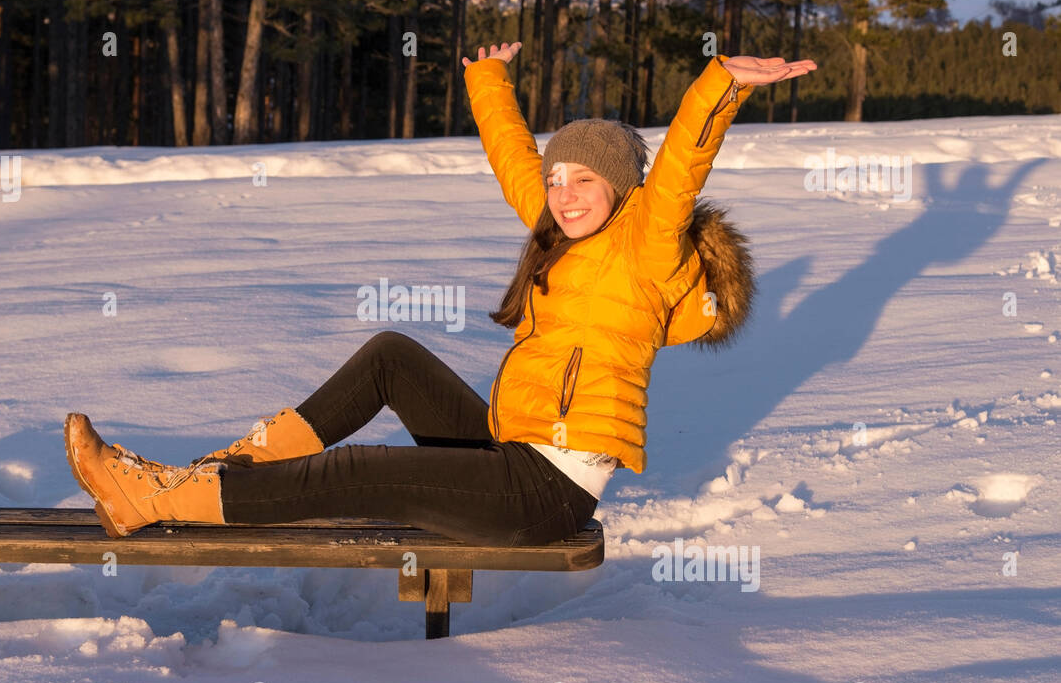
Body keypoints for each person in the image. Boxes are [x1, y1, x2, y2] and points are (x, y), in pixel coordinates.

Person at [65, 41, 816, 545]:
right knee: (392, 355)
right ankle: (207, 476)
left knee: (356, 472)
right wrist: (487, 81)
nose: (564, 194)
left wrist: (721, 84)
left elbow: (682, 165)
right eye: (560, 181)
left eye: (584, 180)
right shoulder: (562, 231)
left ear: (622, 190)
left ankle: (156, 499)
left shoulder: (644, 246)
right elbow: (517, 163)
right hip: (512, 446)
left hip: (546, 490)